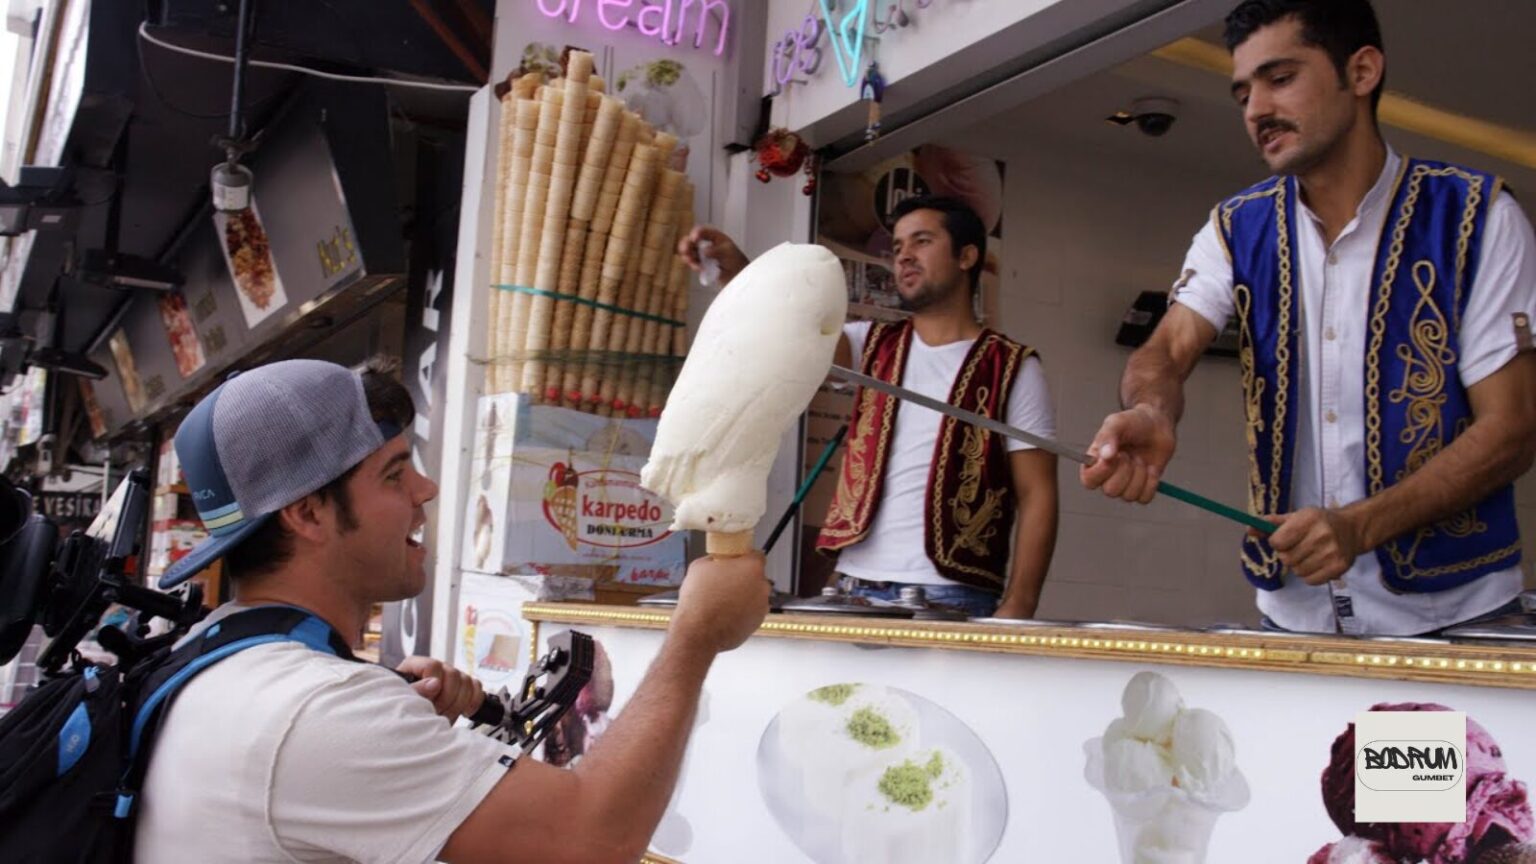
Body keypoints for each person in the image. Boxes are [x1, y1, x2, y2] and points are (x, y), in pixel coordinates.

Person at [135, 358, 769, 863]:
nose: (426, 490)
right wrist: (696, 637)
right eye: (392, 474)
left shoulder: (217, 658)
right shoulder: (316, 710)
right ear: (307, 514)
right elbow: (589, 845)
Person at [1081, 0, 1536, 636]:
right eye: (1243, 92)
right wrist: (1152, 409)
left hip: (1452, 619)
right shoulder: (1237, 227)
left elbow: (1513, 429)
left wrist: (1358, 527)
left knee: (1417, 746)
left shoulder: (1475, 216)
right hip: (1293, 619)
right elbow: (1166, 350)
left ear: (1363, 71)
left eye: (1281, 78)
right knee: (1295, 744)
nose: (1255, 110)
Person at [679, 195, 1058, 619]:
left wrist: (1020, 604)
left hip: (952, 595)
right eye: (897, 248)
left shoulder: (1011, 366)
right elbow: (789, 329)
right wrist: (742, 272)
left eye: (922, 241)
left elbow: (1037, 492)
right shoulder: (870, 343)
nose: (904, 257)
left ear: (967, 256)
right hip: (851, 586)